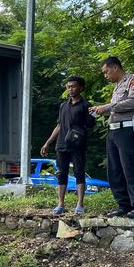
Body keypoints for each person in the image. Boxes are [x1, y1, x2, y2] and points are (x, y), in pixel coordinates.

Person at [90, 57, 134, 219]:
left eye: (106, 72)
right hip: (113, 130)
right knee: (115, 170)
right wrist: (100, 110)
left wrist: (107, 107)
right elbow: (116, 108)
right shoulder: (117, 86)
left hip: (128, 129)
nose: (105, 76)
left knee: (130, 168)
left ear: (115, 68)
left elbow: (133, 102)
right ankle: (124, 205)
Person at [41, 75, 95, 215]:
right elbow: (59, 126)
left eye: (73, 86)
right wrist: (47, 143)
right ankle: (60, 205)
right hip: (61, 144)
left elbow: (90, 126)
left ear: (81, 88)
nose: (70, 89)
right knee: (61, 173)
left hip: (77, 145)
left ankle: (80, 204)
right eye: (68, 87)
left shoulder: (86, 105)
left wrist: (80, 134)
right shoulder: (63, 105)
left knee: (79, 172)